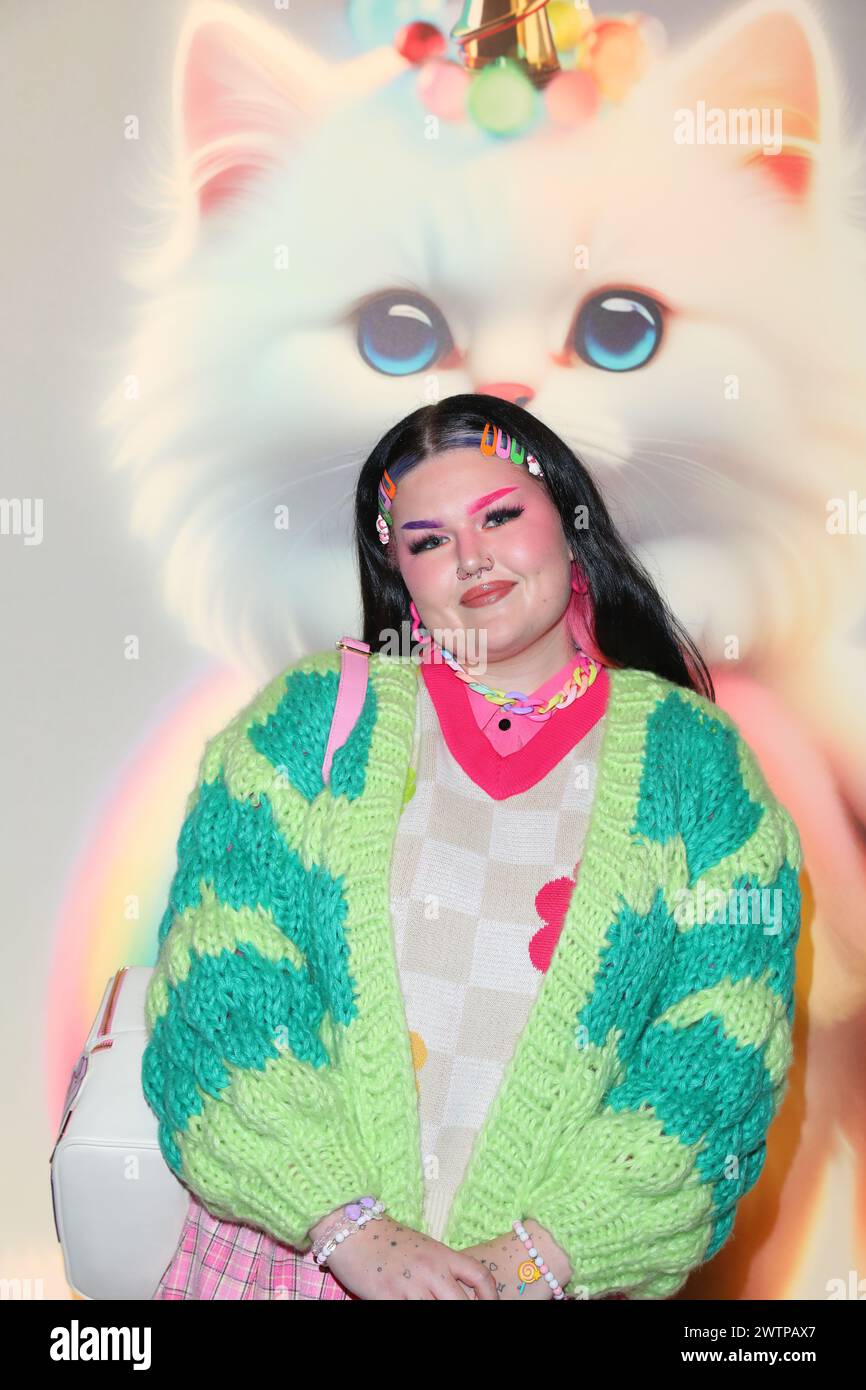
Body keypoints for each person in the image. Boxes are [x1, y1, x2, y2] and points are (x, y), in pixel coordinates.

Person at [144, 393, 803, 1300]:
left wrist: (528, 1261)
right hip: (287, 1267)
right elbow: (216, 994)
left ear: (571, 526)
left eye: (500, 515)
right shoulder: (310, 726)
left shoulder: (699, 769)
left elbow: (722, 1055)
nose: (472, 557)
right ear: (399, 572)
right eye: (428, 540)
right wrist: (355, 1233)